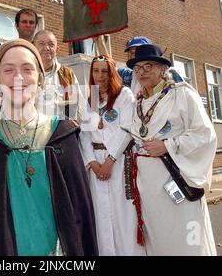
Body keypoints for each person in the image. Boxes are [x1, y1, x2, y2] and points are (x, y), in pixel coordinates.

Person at [0, 39, 98, 256]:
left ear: (40, 79)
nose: (18, 78)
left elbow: (81, 215)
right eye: (8, 70)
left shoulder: (63, 136)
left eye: (27, 69)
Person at [127, 44, 217, 255]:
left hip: (176, 180)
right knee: (160, 240)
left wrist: (168, 145)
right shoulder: (139, 101)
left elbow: (205, 135)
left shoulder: (182, 94)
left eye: (148, 66)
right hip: (148, 188)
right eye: (138, 68)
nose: (142, 72)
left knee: (186, 238)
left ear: (162, 69)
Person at [79, 55, 146, 256]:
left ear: (112, 72)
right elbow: (85, 134)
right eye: (96, 71)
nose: (100, 76)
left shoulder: (123, 95)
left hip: (118, 162)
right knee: (102, 217)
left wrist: (110, 161)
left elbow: (126, 128)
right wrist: (92, 162)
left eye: (105, 71)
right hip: (96, 166)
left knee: (123, 216)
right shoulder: (90, 97)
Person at [33, 30, 83, 121]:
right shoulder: (25, 74)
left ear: (57, 49)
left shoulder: (67, 74)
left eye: (51, 44)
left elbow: (80, 107)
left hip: (61, 132)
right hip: (33, 132)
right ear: (33, 47)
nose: (47, 48)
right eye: (41, 44)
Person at [117, 36, 183, 94]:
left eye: (148, 66)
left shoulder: (171, 74)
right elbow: (114, 70)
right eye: (131, 53)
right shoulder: (130, 76)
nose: (135, 55)